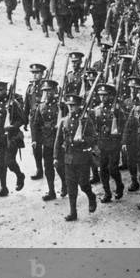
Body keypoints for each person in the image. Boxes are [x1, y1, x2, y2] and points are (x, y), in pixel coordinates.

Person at [53, 93, 98, 221]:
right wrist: (56, 157)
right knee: (71, 186)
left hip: (82, 158)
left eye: (73, 105)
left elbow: (94, 138)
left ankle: (91, 196)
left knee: (84, 184)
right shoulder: (64, 121)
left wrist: (83, 140)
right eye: (69, 105)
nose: (71, 107)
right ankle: (73, 212)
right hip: (69, 158)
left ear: (79, 106)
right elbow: (58, 140)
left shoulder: (85, 121)